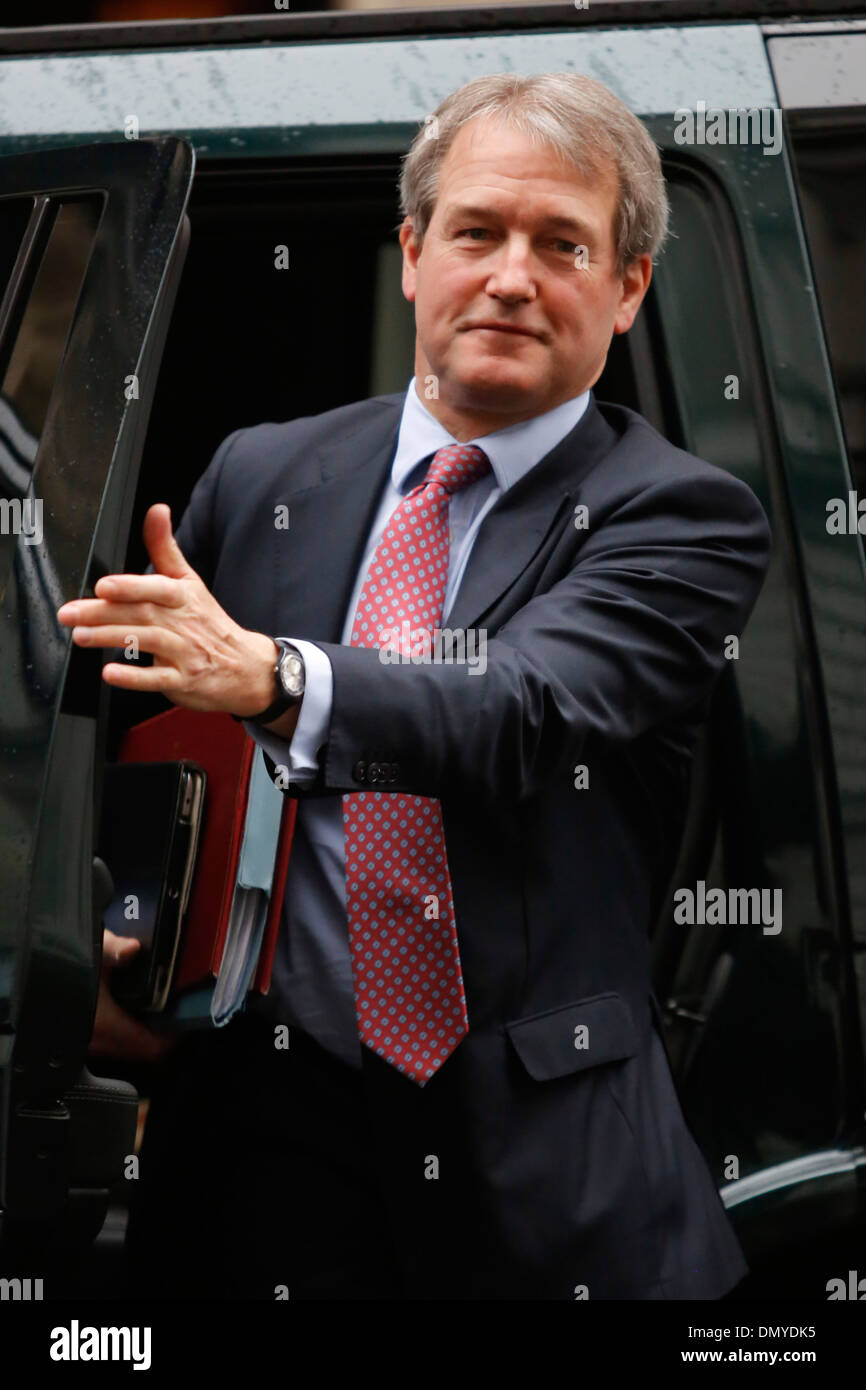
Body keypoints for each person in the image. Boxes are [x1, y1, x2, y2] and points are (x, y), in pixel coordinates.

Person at [59, 71, 771, 1300]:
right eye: (476, 231)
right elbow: (167, 748)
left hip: (539, 1166)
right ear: (410, 252)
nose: (510, 275)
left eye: (561, 244)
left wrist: (281, 676)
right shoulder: (264, 471)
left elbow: (525, 706)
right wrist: (127, 935)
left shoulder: (682, 515)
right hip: (262, 1136)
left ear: (626, 286)